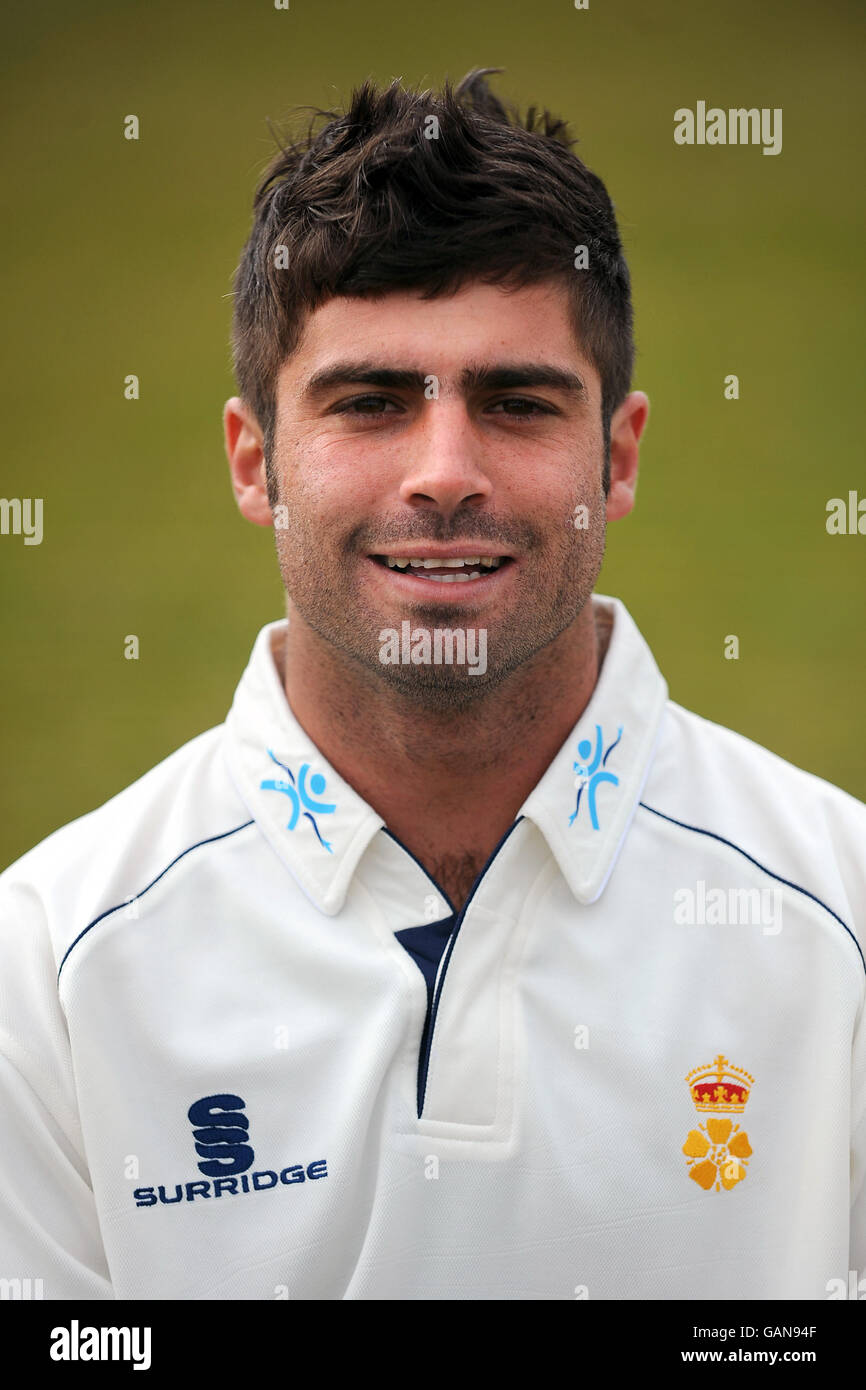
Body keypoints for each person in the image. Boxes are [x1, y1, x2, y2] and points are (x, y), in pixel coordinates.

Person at [0, 67, 863, 1302]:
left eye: (516, 402)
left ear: (614, 457)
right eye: (369, 403)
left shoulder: (841, 922)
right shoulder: (45, 967)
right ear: (257, 464)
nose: (443, 473)